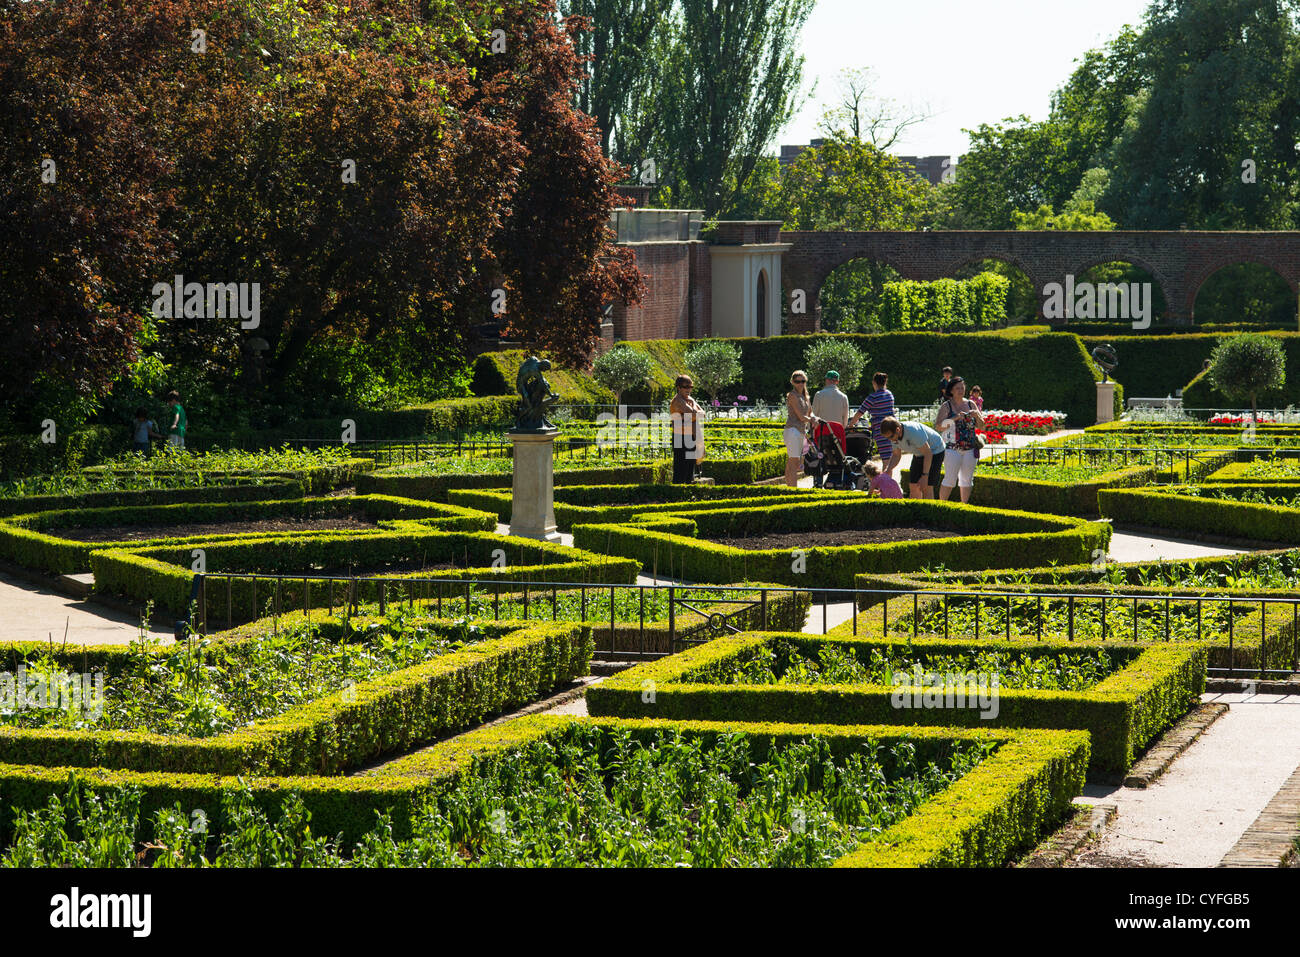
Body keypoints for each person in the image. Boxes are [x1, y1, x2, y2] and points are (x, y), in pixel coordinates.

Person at [937, 376, 984, 504]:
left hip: (970, 448)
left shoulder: (971, 404)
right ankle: (941, 506)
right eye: (957, 388)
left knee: (967, 479)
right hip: (952, 448)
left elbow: (982, 426)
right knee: (950, 479)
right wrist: (955, 418)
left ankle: (964, 506)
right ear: (951, 390)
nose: (961, 390)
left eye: (962, 387)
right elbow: (939, 426)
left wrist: (977, 416)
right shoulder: (946, 406)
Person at [879, 416, 945, 499]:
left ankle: (928, 510)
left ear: (898, 430)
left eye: (891, 437)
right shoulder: (893, 437)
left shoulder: (913, 431)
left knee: (927, 486)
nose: (890, 440)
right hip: (919, 453)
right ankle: (915, 510)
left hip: (935, 451)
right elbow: (896, 455)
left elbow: (928, 453)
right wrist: (888, 470)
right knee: (913, 485)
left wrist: (925, 476)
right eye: (887, 438)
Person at [848, 372, 896, 462]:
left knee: (886, 460)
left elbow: (860, 412)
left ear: (874, 383)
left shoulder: (872, 397)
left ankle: (885, 476)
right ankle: (887, 476)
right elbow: (884, 412)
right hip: (893, 427)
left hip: (882, 430)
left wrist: (850, 425)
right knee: (890, 458)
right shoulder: (889, 394)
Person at [784, 370, 819, 487]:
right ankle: (793, 490)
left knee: (792, 463)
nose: (800, 383)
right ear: (793, 382)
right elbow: (801, 416)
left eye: (802, 381)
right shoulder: (792, 396)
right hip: (793, 430)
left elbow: (810, 413)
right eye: (797, 381)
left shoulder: (806, 396)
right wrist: (812, 420)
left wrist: (813, 417)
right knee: (794, 463)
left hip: (800, 431)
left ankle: (789, 489)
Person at [669, 375, 705, 484]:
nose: (688, 389)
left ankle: (687, 493)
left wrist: (688, 417)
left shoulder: (690, 400)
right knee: (681, 469)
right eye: (686, 387)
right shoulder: (678, 401)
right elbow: (695, 414)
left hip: (690, 436)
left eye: (691, 387)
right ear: (678, 388)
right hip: (681, 438)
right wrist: (693, 415)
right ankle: (677, 495)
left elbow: (703, 414)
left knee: (689, 469)